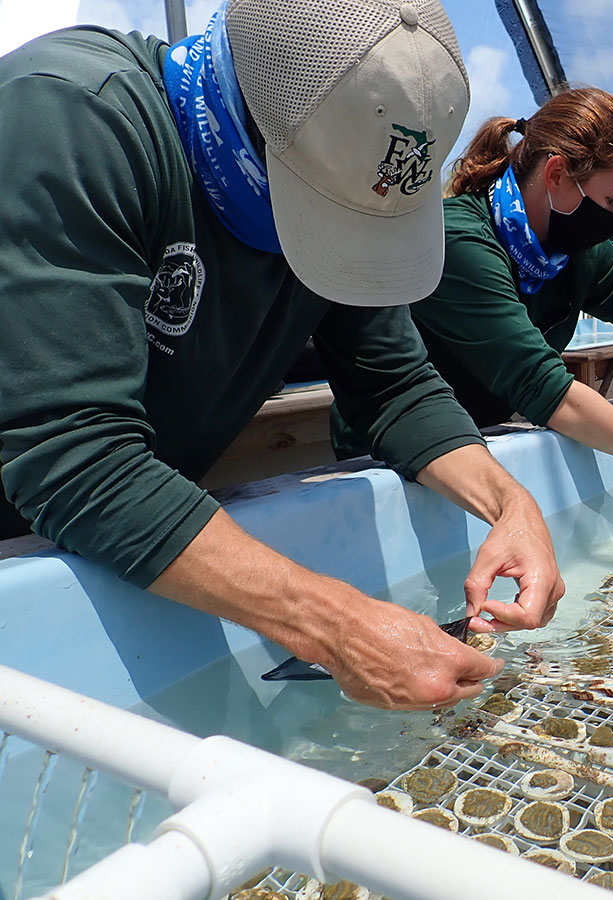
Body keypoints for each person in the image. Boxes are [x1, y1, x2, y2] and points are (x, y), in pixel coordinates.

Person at [0, 0, 565, 710]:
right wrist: (335, 625)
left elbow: (394, 386)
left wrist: (513, 505)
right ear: (259, 125)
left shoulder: (346, 159)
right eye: (332, 214)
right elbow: (76, 456)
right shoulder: (71, 118)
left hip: (123, 539)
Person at [342, 87, 613, 496]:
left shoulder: (576, 252)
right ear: (557, 174)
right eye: (612, 198)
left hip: (477, 440)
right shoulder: (456, 243)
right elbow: (544, 389)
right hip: (386, 464)